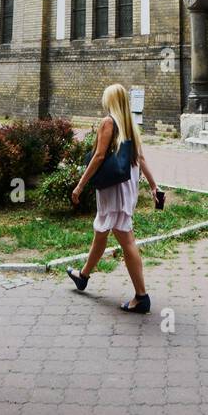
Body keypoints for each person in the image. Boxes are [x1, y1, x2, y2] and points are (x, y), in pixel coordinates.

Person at [66, 83, 161, 312]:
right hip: (125, 186)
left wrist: (80, 186)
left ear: (110, 101)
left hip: (113, 188)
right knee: (101, 232)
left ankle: (141, 296)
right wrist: (153, 185)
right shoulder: (129, 124)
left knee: (126, 239)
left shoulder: (109, 122)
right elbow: (141, 158)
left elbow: (98, 156)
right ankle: (83, 276)